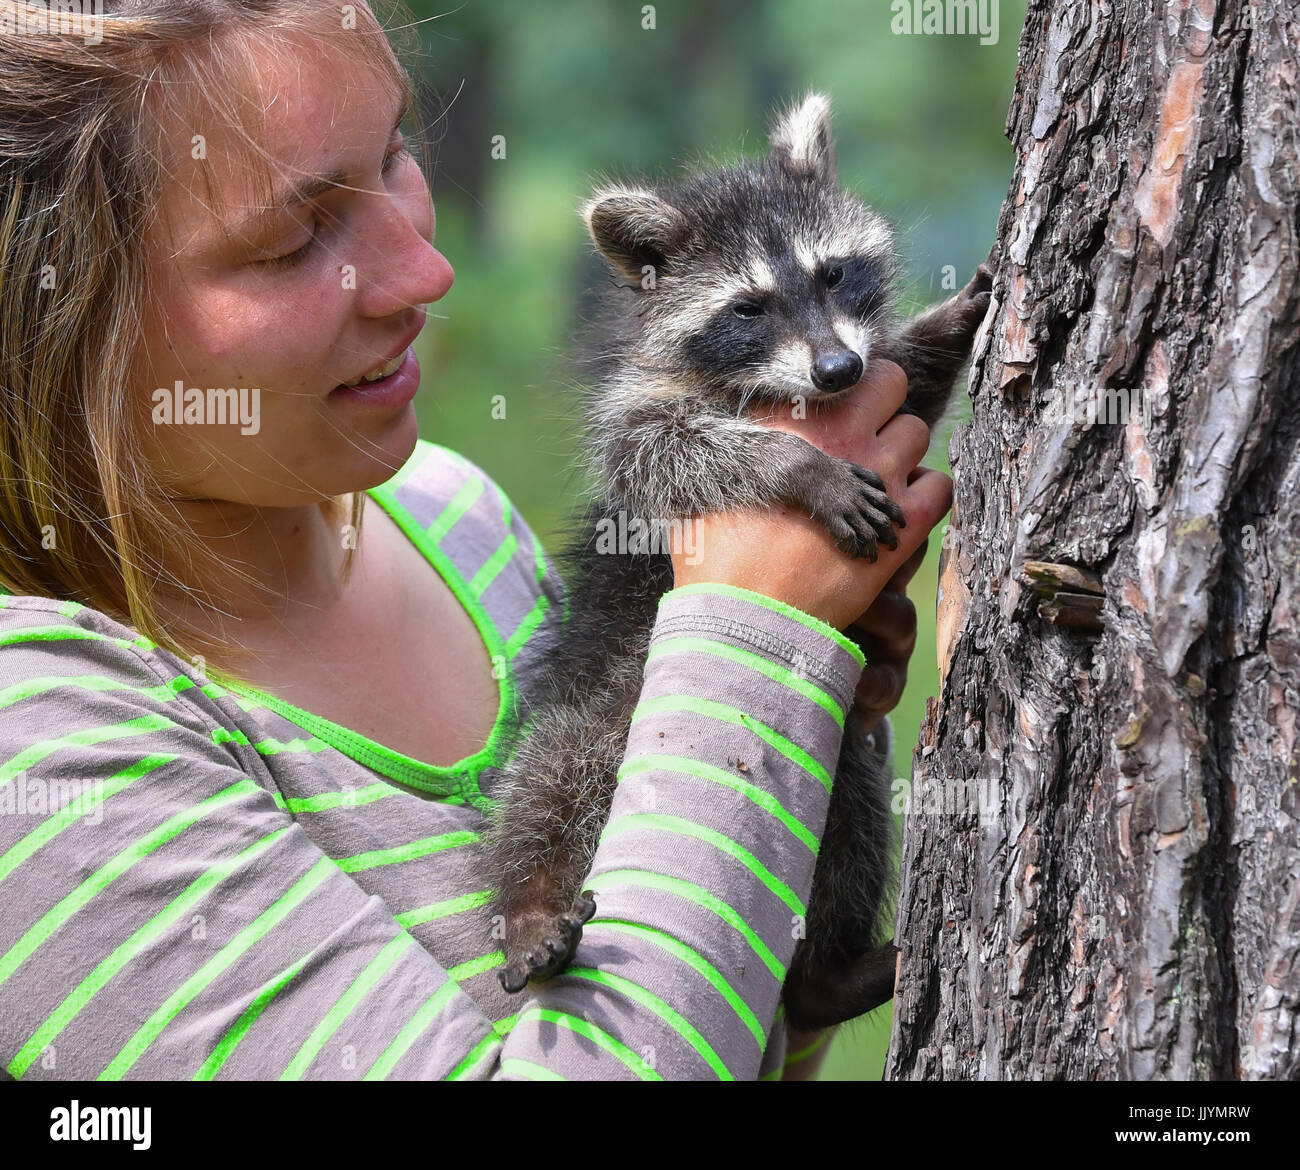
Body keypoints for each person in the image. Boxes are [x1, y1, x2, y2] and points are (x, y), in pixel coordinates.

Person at [0, 0, 947, 1081]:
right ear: (57, 316)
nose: (424, 274)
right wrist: (755, 644)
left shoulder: (451, 515)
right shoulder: (36, 755)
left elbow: (709, 1031)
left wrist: (806, 719)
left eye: (395, 150)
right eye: (295, 238)